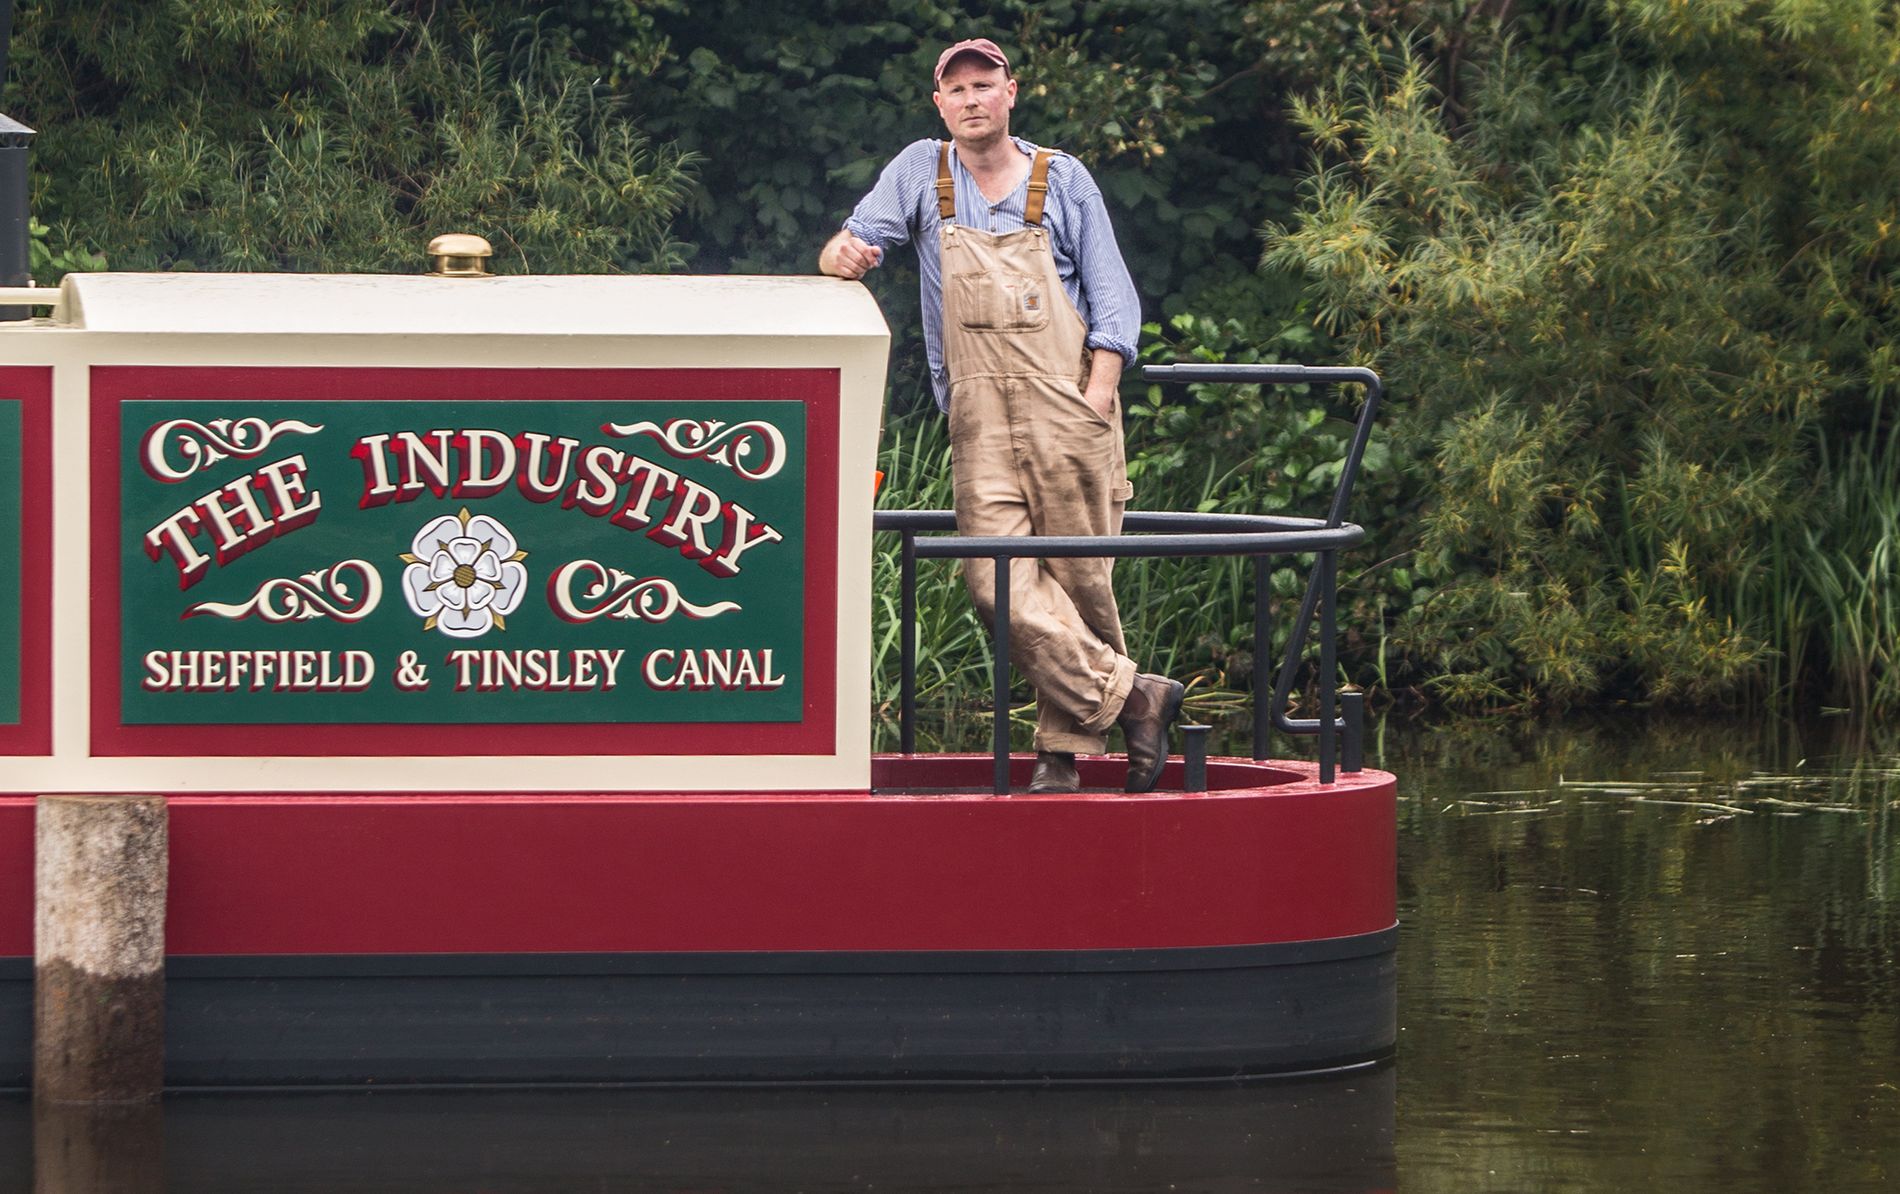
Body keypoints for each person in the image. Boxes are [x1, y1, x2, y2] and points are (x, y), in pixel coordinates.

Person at [819, 36, 1183, 794]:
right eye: (958, 90)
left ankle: (1062, 757)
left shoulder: (1063, 178)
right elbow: (850, 245)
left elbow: (1115, 298)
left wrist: (1098, 394)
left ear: (1011, 93)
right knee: (994, 580)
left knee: (1080, 580)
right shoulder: (922, 170)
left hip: (1068, 400)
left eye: (985, 85)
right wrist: (840, 258)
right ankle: (1136, 697)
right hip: (977, 414)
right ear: (939, 104)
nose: (972, 99)